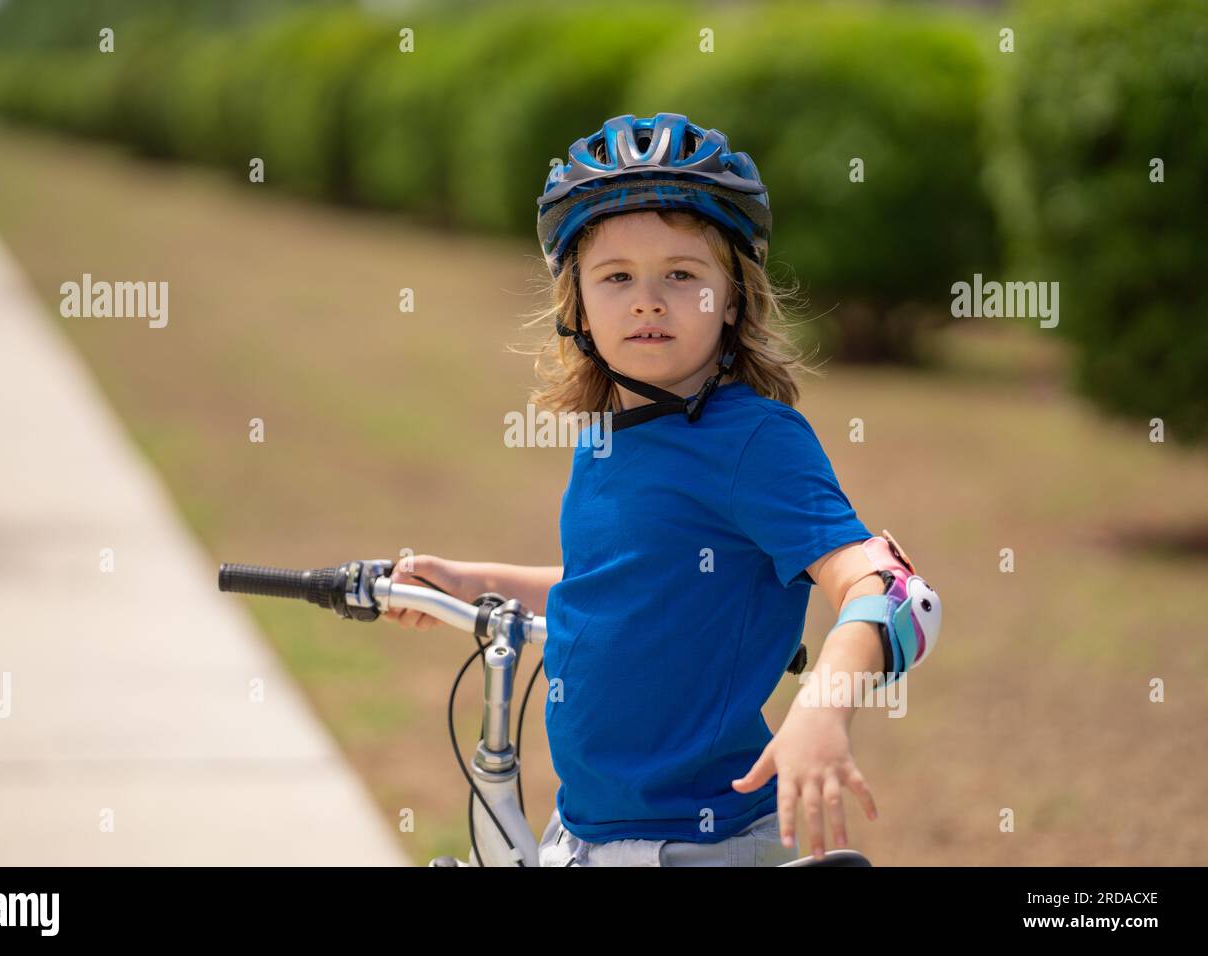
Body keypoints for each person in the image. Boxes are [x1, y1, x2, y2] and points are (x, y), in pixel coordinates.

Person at [388, 112, 941, 866]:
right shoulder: (607, 438)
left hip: (700, 843)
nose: (648, 300)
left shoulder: (755, 441)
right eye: (617, 277)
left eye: (682, 274)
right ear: (577, 306)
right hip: (584, 834)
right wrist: (471, 580)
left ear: (735, 299)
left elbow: (891, 590)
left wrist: (821, 708)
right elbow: (617, 589)